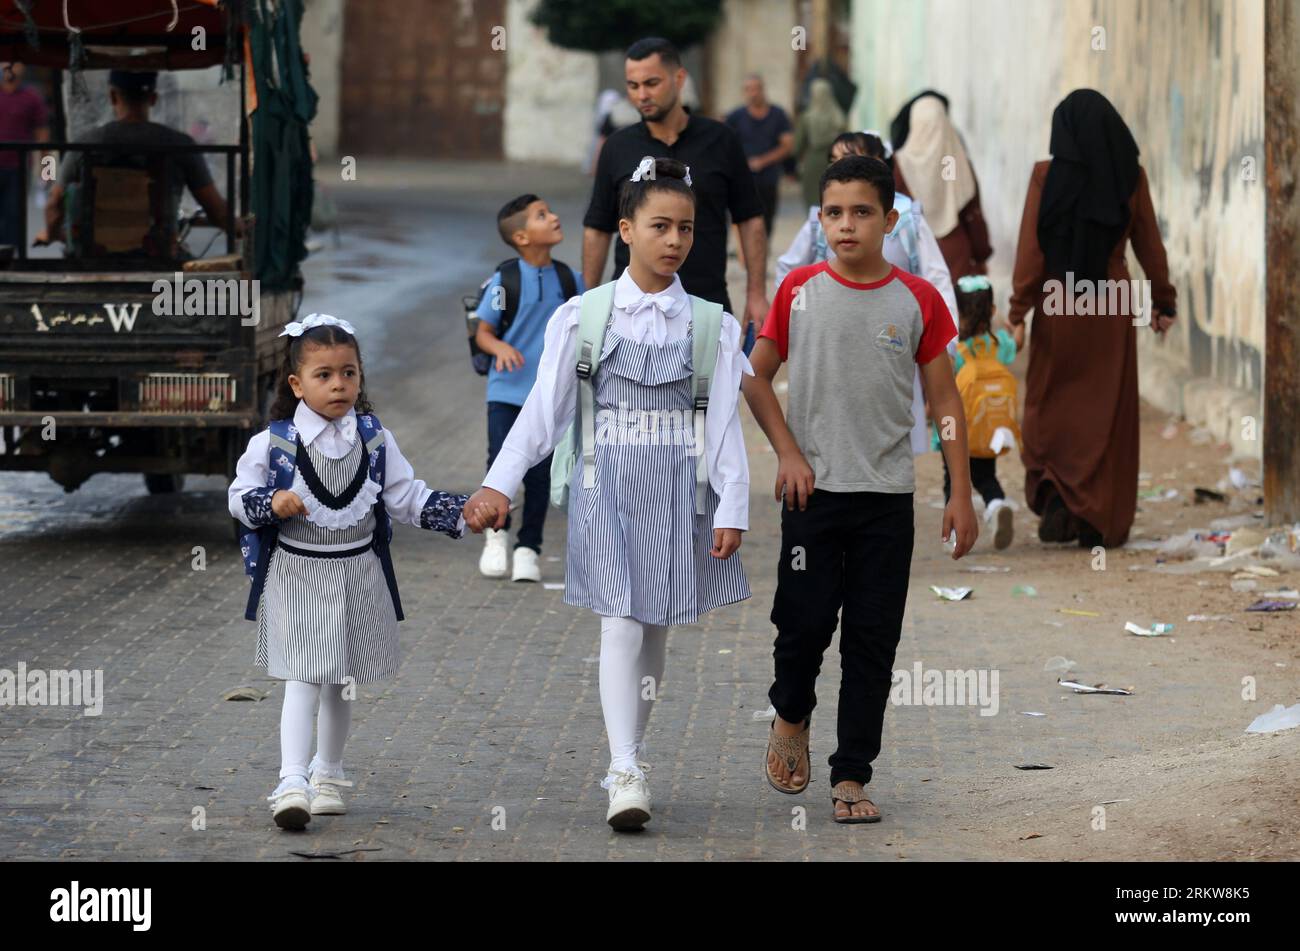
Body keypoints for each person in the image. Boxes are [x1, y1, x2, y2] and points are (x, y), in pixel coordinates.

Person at [466, 159, 752, 832]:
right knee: (621, 619)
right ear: (625, 230)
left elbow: (722, 425)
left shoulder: (712, 324)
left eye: (686, 227)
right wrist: (496, 485)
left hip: (680, 492)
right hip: (607, 489)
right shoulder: (583, 316)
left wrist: (733, 505)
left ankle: (634, 748)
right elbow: (542, 414)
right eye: (659, 225)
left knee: (653, 626)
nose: (675, 240)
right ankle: (624, 767)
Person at [743, 155, 978, 824]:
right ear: (820, 220)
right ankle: (791, 710)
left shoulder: (918, 300)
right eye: (835, 212)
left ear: (890, 219)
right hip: (810, 498)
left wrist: (959, 491)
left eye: (862, 212)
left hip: (886, 502)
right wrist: (786, 451)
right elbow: (754, 377)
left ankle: (852, 773)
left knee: (872, 639)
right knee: (803, 624)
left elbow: (945, 402)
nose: (847, 225)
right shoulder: (798, 291)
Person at [228, 314, 483, 830]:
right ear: (297, 384)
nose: (338, 384)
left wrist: (464, 511)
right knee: (302, 676)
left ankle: (329, 773)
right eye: (323, 375)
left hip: (358, 574)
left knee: (340, 682)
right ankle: (291, 779)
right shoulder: (273, 445)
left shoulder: (374, 439)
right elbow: (237, 498)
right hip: (299, 575)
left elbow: (407, 497)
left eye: (348, 372)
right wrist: (270, 499)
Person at [1008, 88, 1176, 548]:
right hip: (1110, 305)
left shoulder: (1045, 176)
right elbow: (1150, 247)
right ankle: (1095, 515)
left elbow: (1031, 250)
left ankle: (1059, 493)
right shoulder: (1130, 176)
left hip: (1060, 302)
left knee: (1050, 400)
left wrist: (1018, 311)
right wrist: (1163, 302)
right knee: (1106, 413)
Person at [776, 131, 958, 457]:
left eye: (855, 160)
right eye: (836, 162)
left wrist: (947, 344)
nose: (847, 223)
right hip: (832, 339)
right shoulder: (822, 222)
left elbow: (936, 279)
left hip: (891, 342)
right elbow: (786, 272)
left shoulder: (909, 220)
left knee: (888, 429)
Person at [583, 37, 769, 352]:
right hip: (630, 310)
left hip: (706, 303)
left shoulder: (722, 141)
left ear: (679, 79)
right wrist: (587, 302)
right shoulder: (617, 147)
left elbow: (750, 220)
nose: (641, 95)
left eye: (651, 83)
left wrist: (756, 293)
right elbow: (598, 229)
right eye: (633, 85)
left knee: (712, 399)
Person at [473, 194, 585, 582]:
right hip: (505, 392)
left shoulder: (571, 280)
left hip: (550, 396)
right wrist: (500, 347)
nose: (554, 217)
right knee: (501, 463)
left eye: (550, 211)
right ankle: (496, 537)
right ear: (522, 237)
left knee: (540, 474)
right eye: (542, 215)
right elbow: (483, 332)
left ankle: (528, 548)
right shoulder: (505, 281)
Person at [36, 70, 230, 250]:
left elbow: (54, 206)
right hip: (158, 254)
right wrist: (239, 226)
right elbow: (217, 211)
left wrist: (53, 234)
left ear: (113, 97)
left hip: (93, 256)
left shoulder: (84, 145)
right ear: (153, 98)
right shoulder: (181, 144)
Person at [932, 274, 1020, 549]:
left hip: (958, 430)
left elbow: (942, 386)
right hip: (988, 430)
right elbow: (1017, 344)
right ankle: (995, 505)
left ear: (957, 312)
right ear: (992, 310)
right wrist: (1018, 327)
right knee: (986, 476)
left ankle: (956, 533)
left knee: (953, 480)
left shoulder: (955, 349)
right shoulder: (999, 344)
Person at [890, 92, 991, 280]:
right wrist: (981, 255)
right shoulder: (956, 163)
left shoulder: (898, 166)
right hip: (954, 256)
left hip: (910, 257)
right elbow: (973, 213)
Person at [725, 74, 793, 237]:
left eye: (756, 88)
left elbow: (787, 145)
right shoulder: (735, 116)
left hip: (769, 178)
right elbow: (724, 143)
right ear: (744, 92)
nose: (753, 93)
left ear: (763, 90)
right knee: (743, 218)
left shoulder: (778, 115)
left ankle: (762, 249)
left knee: (767, 219)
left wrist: (762, 161)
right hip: (743, 178)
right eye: (749, 89)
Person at [0, 60, 49, 248]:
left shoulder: (31, 97)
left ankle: (11, 263)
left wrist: (47, 175)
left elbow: (44, 137)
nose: (11, 67)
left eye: (16, 63)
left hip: (17, 168)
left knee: (14, 217)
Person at [793, 78, 845, 210]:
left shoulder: (807, 117)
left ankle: (815, 229)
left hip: (812, 163)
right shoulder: (839, 116)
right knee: (834, 202)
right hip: (835, 162)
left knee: (814, 204)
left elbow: (797, 147)